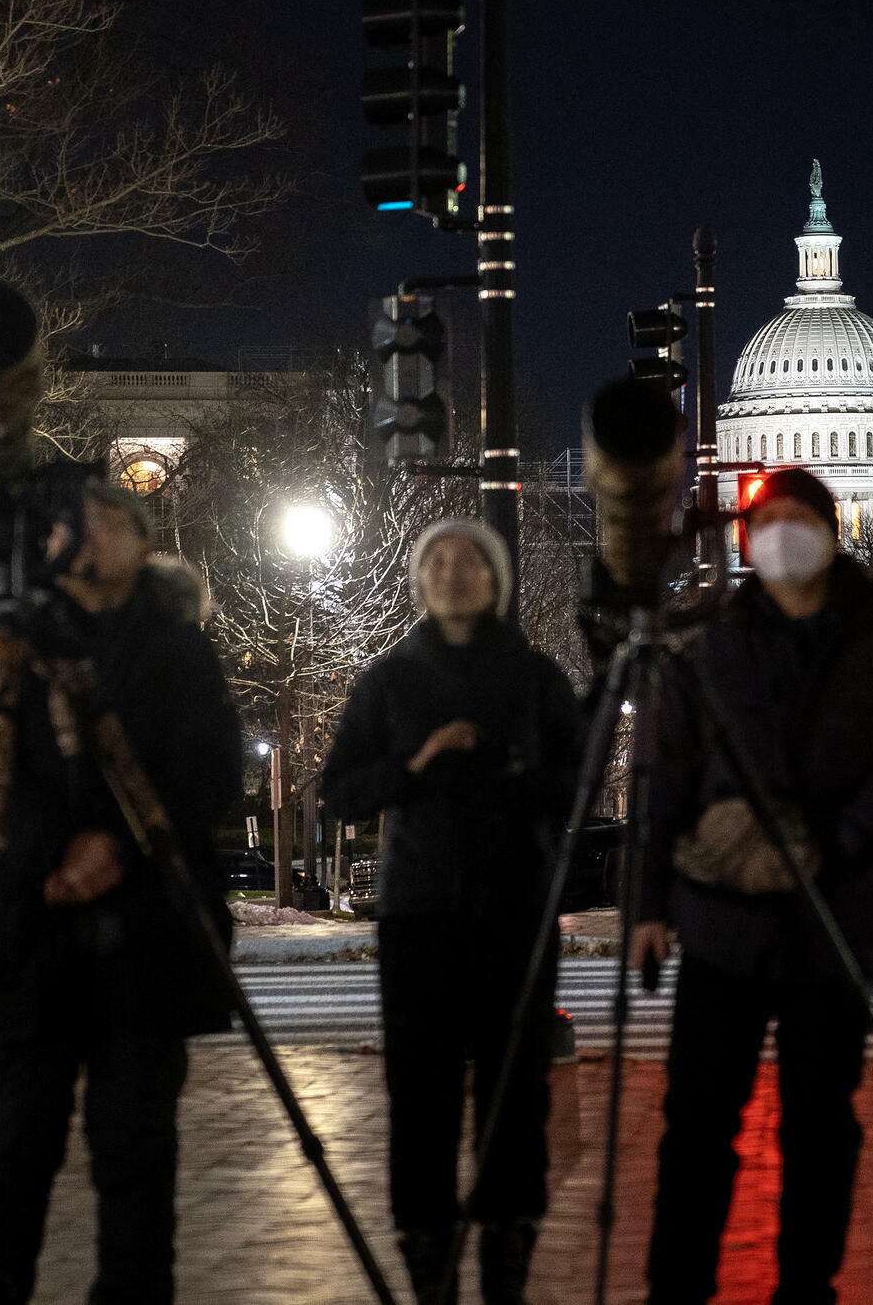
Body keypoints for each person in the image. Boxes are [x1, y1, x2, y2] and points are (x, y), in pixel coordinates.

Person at [630, 467, 873, 1305]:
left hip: (835, 912)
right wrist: (647, 905)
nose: (779, 533)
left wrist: (848, 836)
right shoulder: (706, 644)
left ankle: (806, 1286)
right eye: (763, 520)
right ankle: (679, 1286)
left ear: (831, 532)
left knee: (821, 1120)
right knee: (698, 1120)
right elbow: (659, 780)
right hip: (720, 917)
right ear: (745, 539)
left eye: (796, 519)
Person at [0, 481, 241, 1305]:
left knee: (137, 1157)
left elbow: (209, 770)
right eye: (77, 520)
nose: (91, 534)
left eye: (112, 520)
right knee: (8, 1158)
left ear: (143, 543)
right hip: (32, 933)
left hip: (145, 940)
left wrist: (117, 847)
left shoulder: (179, 645)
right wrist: (49, 851)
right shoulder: (10, 634)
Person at [321, 517, 581, 1305]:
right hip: (421, 913)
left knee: (515, 1097)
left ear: (495, 579)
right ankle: (429, 1273)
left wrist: (506, 768)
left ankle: (507, 1267)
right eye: (437, 559)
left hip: (515, 909)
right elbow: (341, 788)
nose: (453, 570)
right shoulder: (388, 680)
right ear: (418, 579)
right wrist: (419, 761)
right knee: (421, 1099)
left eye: (470, 558)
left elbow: (574, 784)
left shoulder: (537, 679)